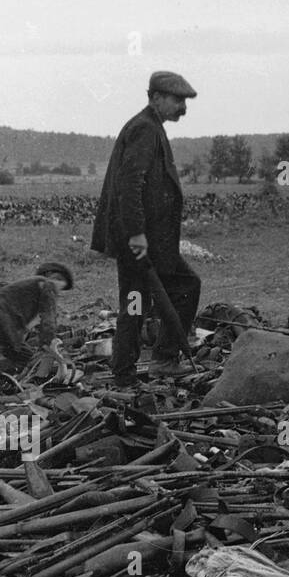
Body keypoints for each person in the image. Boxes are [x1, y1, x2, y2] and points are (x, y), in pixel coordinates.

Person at [92, 71, 202, 386]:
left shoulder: (151, 127)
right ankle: (142, 367)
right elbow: (130, 185)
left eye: (184, 101)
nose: (183, 107)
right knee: (144, 298)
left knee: (142, 298)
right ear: (156, 98)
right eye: (178, 100)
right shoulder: (145, 129)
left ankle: (145, 363)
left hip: (149, 240)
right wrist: (137, 234)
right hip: (139, 240)